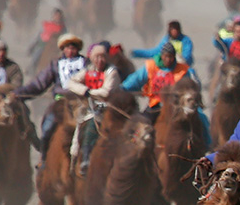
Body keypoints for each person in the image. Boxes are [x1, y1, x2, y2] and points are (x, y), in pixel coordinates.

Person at [16, 33, 87, 162]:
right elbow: (39, 84)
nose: (70, 51)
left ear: (78, 49)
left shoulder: (86, 64)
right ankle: (44, 159)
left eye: (73, 48)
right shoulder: (55, 64)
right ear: (63, 49)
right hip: (61, 103)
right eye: (67, 47)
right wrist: (19, 94)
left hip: (82, 103)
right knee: (48, 126)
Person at [65, 42, 121, 174]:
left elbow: (106, 91)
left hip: (110, 109)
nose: (99, 60)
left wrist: (89, 93)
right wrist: (83, 90)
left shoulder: (112, 72)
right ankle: (78, 160)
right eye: (97, 57)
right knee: (79, 130)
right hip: (90, 109)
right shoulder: (88, 71)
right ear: (92, 58)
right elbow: (71, 83)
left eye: (102, 57)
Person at [121, 42, 204, 130]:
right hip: (155, 105)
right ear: (162, 56)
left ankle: (208, 142)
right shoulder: (151, 67)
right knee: (138, 126)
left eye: (170, 56)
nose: (168, 59)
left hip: (176, 106)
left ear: (174, 57)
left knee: (199, 121)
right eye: (166, 56)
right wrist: (122, 88)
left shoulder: (183, 71)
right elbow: (135, 80)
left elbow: (190, 87)